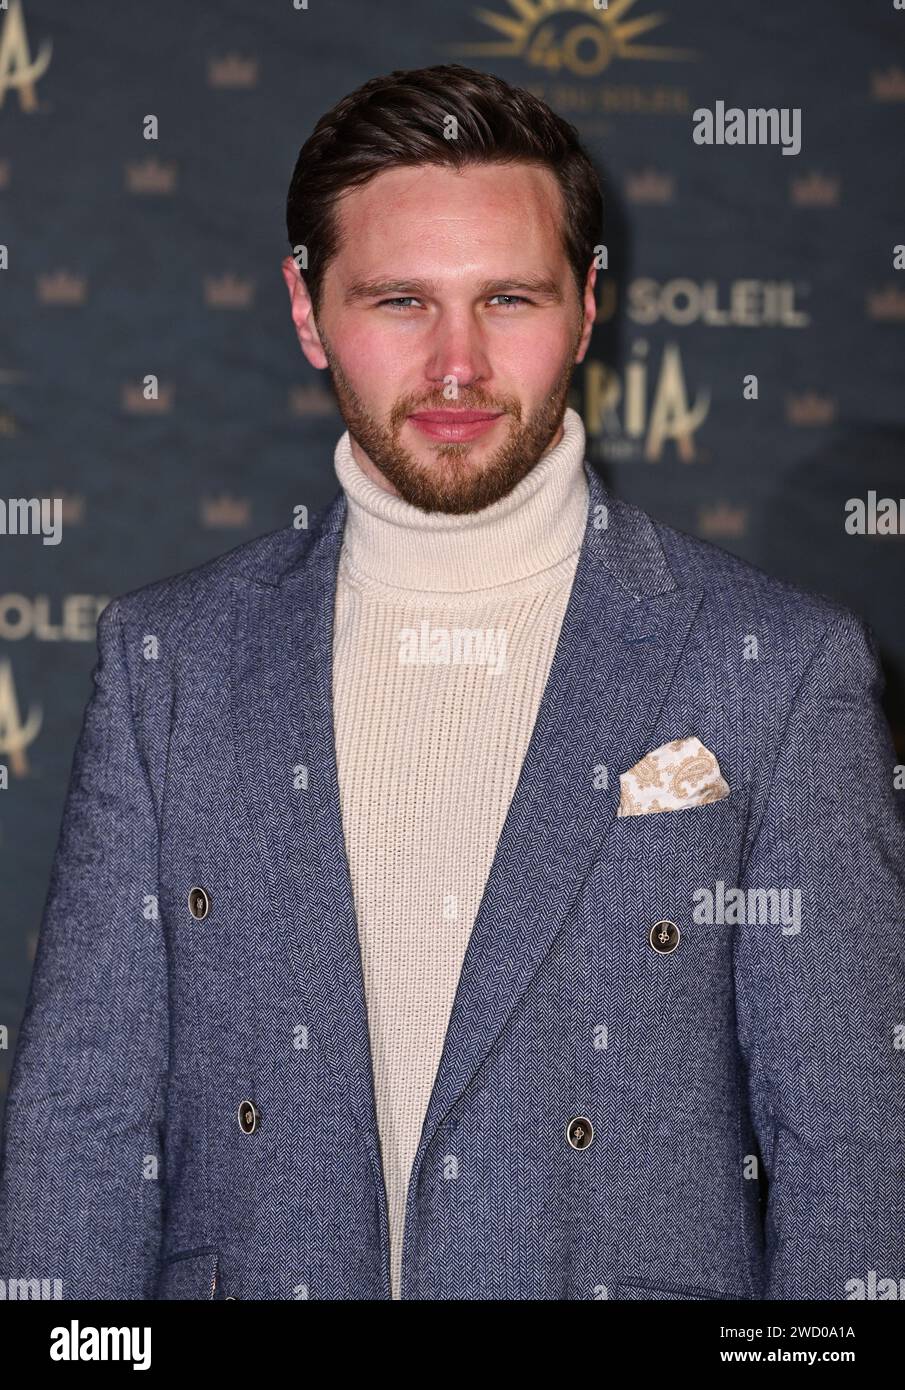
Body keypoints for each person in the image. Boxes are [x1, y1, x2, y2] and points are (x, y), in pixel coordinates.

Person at [1, 63, 903, 1302]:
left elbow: (852, 1152)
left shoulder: (781, 670)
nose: (457, 364)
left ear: (588, 307)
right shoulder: (172, 663)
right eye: (399, 301)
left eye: (508, 299)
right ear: (307, 310)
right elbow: (84, 1132)